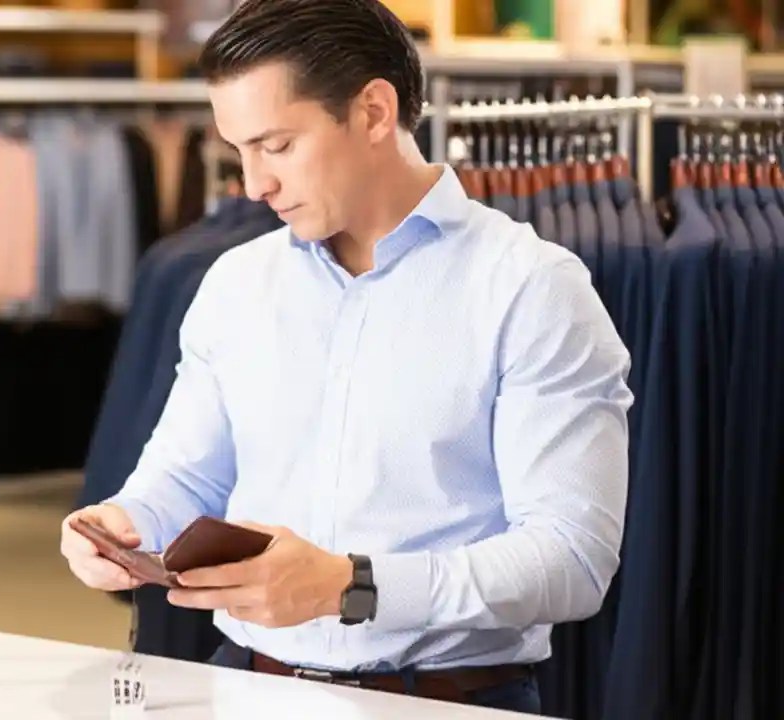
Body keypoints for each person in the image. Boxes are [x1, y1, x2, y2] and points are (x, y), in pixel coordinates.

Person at [60, 0, 633, 714]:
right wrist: (121, 523)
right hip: (243, 687)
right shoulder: (237, 284)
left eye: (276, 145)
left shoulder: (531, 289)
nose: (252, 184)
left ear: (372, 112)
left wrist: (350, 583)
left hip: (445, 701)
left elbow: (572, 560)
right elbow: (186, 478)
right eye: (238, 149)